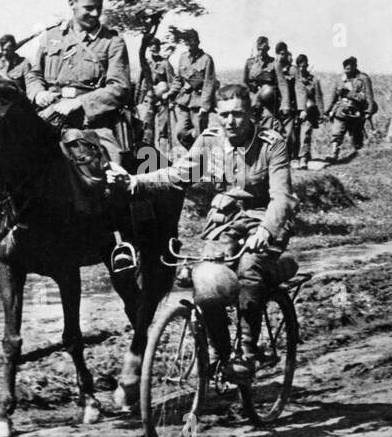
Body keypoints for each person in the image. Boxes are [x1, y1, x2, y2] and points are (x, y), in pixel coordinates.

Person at [108, 84, 296, 379]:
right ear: (217, 116)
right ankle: (224, 356)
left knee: (249, 270)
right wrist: (136, 180)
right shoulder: (210, 142)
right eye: (225, 115)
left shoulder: (271, 144)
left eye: (237, 114)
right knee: (206, 283)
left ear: (250, 113)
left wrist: (267, 230)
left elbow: (282, 197)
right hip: (222, 224)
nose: (231, 121)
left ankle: (246, 352)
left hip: (262, 222)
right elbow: (179, 174)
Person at [24, 0, 132, 164]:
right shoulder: (51, 36)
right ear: (71, 3)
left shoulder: (112, 42)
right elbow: (34, 74)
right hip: (48, 119)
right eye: (88, 8)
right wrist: (38, 93)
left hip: (92, 126)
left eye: (99, 7)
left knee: (110, 172)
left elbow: (119, 88)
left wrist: (78, 102)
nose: (95, 13)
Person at [171, 29, 217, 151]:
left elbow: (209, 83)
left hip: (198, 104)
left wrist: (204, 106)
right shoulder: (182, 58)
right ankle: (194, 155)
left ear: (198, 42)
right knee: (180, 132)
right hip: (184, 102)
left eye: (192, 42)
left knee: (200, 135)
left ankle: (201, 163)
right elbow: (178, 79)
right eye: (187, 43)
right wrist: (171, 94)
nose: (189, 46)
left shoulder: (206, 59)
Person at [326, 56, 376, 161]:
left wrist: (369, 111)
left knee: (357, 135)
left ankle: (359, 156)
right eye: (345, 67)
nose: (347, 69)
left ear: (355, 66)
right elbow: (332, 97)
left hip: (356, 111)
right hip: (341, 110)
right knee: (337, 132)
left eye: (350, 67)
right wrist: (327, 111)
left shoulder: (363, 79)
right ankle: (333, 154)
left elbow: (369, 97)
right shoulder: (339, 80)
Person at [136, 37, 175, 154]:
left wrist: (170, 97)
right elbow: (139, 83)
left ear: (158, 49)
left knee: (163, 129)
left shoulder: (165, 63)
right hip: (148, 100)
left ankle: (163, 155)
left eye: (156, 49)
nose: (154, 51)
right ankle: (149, 154)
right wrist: (137, 101)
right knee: (147, 128)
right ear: (148, 49)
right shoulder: (145, 63)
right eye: (152, 49)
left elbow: (172, 82)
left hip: (162, 101)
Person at [294, 53, 325, 168]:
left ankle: (303, 158)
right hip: (295, 111)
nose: (302, 68)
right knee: (294, 135)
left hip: (309, 111)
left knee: (305, 134)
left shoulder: (313, 81)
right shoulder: (294, 79)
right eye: (300, 66)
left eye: (304, 66)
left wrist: (321, 114)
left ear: (307, 66)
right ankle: (296, 156)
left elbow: (318, 97)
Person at [273, 43, 299, 157]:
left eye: (284, 54)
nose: (282, 57)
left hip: (288, 103)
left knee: (288, 132)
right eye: (280, 54)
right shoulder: (273, 65)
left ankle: (287, 156)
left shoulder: (292, 69)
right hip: (273, 102)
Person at [243, 36, 276, 103]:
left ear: (268, 49)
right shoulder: (250, 62)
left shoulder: (273, 62)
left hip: (268, 97)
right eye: (259, 49)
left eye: (263, 50)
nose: (261, 52)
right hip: (253, 96)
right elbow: (245, 81)